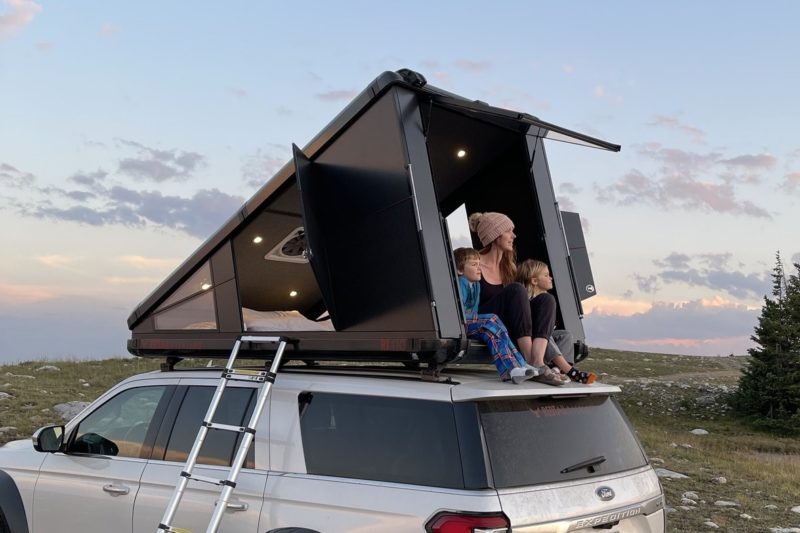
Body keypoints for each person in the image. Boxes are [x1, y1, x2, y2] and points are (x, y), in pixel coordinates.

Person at [467, 212, 566, 385]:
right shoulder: (473, 265)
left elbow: (520, 306)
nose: (514, 236)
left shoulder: (509, 268)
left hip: (508, 324)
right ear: (495, 235)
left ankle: (537, 361)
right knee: (516, 290)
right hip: (483, 320)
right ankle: (530, 360)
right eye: (509, 231)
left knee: (546, 300)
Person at [454, 247, 536, 384]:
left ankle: (518, 366)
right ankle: (514, 366)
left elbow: (474, 310)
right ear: (460, 270)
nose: (479, 268)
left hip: (472, 322)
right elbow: (460, 313)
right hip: (461, 323)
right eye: (474, 265)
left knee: (495, 332)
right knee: (492, 319)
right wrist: (478, 321)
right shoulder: (460, 283)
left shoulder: (476, 285)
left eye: (479, 264)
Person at [516, 259, 597, 384]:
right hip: (528, 341)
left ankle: (556, 369)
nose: (551, 278)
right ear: (534, 281)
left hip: (541, 341)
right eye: (546, 275)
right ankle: (569, 370)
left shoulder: (544, 302)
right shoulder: (527, 302)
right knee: (545, 336)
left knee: (565, 335)